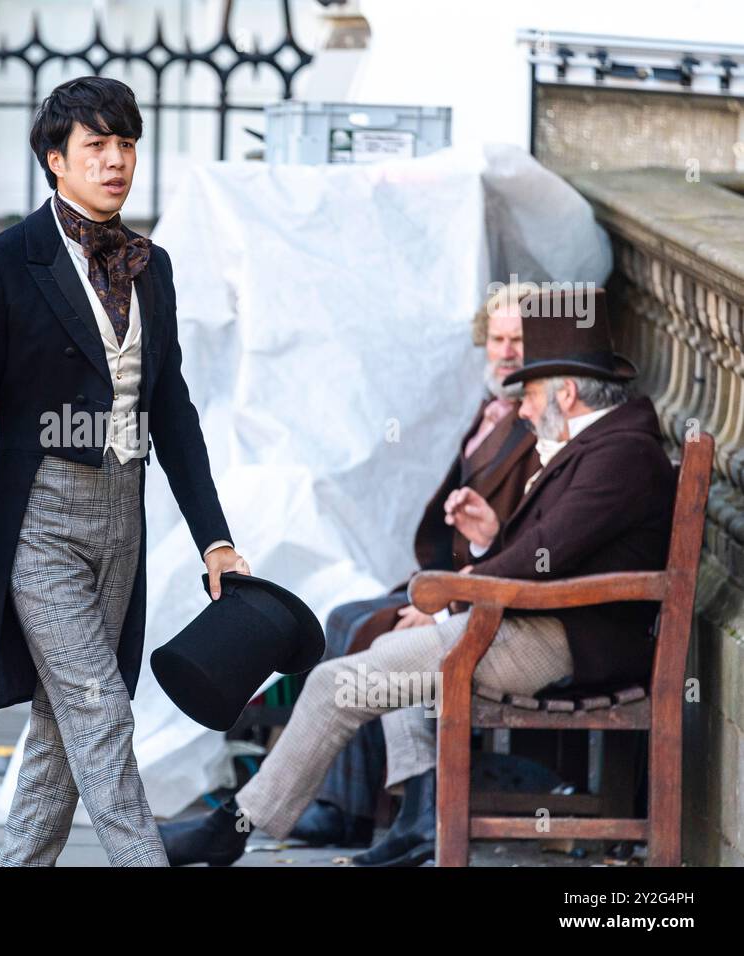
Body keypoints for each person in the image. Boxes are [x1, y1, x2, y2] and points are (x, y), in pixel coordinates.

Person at [159, 287, 676, 867]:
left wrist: (450, 598)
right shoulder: (605, 445)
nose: (524, 410)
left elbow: (546, 556)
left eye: (529, 394)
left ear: (569, 393)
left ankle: (233, 828)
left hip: (563, 641)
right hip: (540, 627)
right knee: (393, 651)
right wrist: (466, 580)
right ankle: (420, 817)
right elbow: (542, 552)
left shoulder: (619, 454)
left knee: (336, 685)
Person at [0, 76, 249, 866]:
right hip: (41, 518)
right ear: (55, 160)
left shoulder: (150, 265)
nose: (117, 160)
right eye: (97, 145)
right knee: (101, 710)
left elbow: (175, 414)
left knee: (63, 726)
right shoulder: (2, 264)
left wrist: (215, 542)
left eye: (126, 143)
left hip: (122, 513)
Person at [293, 286, 538, 851]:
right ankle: (347, 805)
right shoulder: (493, 409)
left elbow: (523, 544)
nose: (505, 353)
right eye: (497, 340)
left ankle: (377, 810)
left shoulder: (537, 423)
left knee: (367, 633)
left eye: (518, 341)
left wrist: (442, 604)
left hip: (484, 595)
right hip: (452, 581)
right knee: (343, 617)